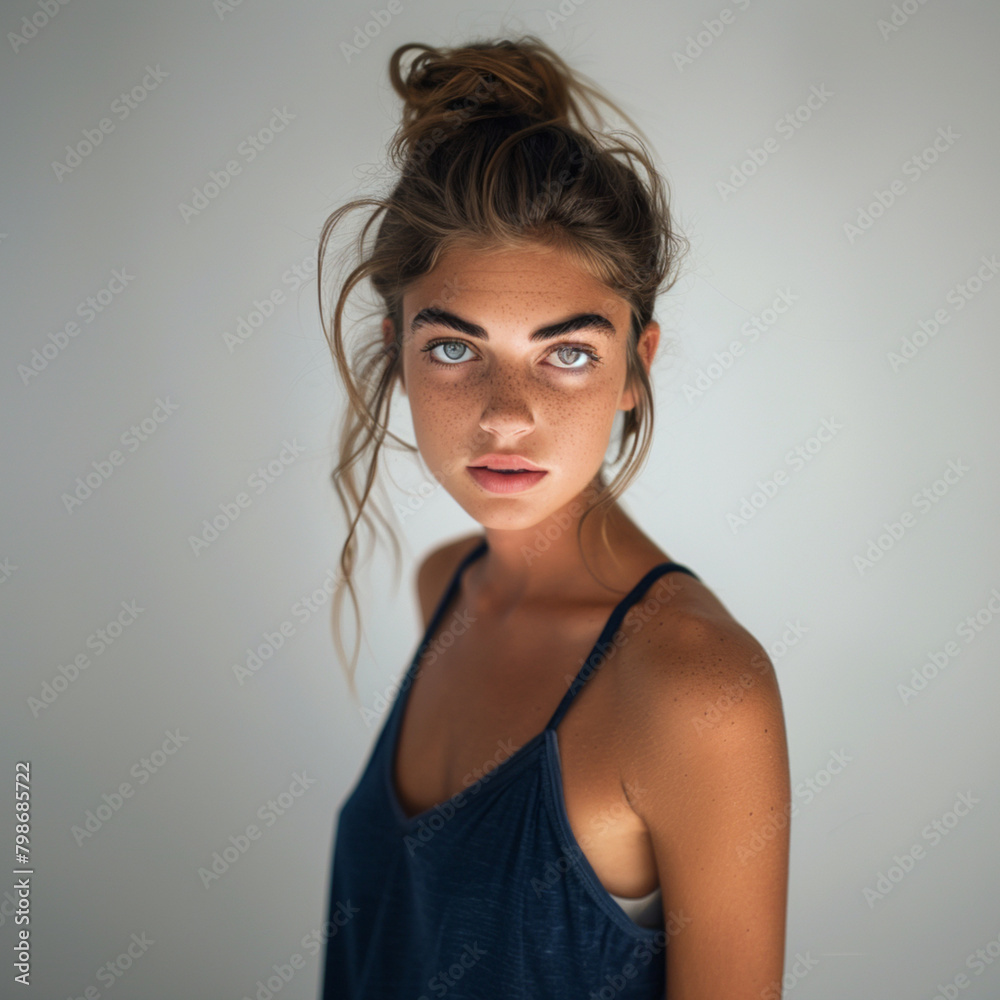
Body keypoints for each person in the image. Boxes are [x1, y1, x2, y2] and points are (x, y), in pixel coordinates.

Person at [316, 34, 791, 1000]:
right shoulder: (445, 583)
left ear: (635, 362)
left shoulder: (701, 692)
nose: (505, 412)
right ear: (395, 343)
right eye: (455, 349)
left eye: (566, 353)